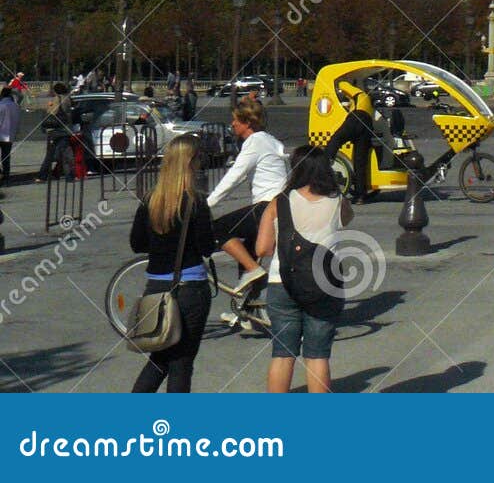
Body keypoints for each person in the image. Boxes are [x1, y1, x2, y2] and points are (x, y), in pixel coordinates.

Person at [256, 146, 352, 393]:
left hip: (283, 282)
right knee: (318, 355)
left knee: (282, 353)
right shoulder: (339, 201)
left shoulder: (279, 202)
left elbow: (263, 248)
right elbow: (347, 220)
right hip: (325, 283)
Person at [129, 136, 216, 392]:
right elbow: (207, 247)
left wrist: (162, 244)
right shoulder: (195, 202)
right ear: (190, 163)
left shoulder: (150, 200)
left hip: (155, 287)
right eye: (199, 158)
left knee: (159, 358)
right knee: (181, 362)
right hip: (189, 288)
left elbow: (137, 243)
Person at [207, 99, 288, 302]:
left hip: (265, 207)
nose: (232, 124)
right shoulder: (271, 140)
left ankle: (253, 271)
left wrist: (207, 204)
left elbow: (235, 176)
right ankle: (248, 308)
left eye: (236, 120)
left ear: (248, 123)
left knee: (217, 229)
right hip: (280, 206)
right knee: (246, 253)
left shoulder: (255, 142)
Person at [325, 78, 376, 202]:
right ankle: (360, 196)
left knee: (336, 139)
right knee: (359, 162)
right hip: (367, 125)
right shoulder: (366, 101)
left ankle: (326, 161)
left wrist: (340, 83)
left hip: (356, 119)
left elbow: (343, 85)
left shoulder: (358, 93)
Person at [36, 83, 74, 182]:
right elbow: (68, 114)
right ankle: (69, 176)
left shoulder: (56, 99)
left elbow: (51, 113)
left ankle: (42, 176)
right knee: (65, 154)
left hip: (55, 130)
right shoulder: (67, 99)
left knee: (50, 155)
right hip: (64, 130)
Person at [0, 86, 18, 185]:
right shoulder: (15, 106)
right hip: (10, 135)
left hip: (1, 134)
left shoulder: (1, 105)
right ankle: (6, 177)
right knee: (6, 157)